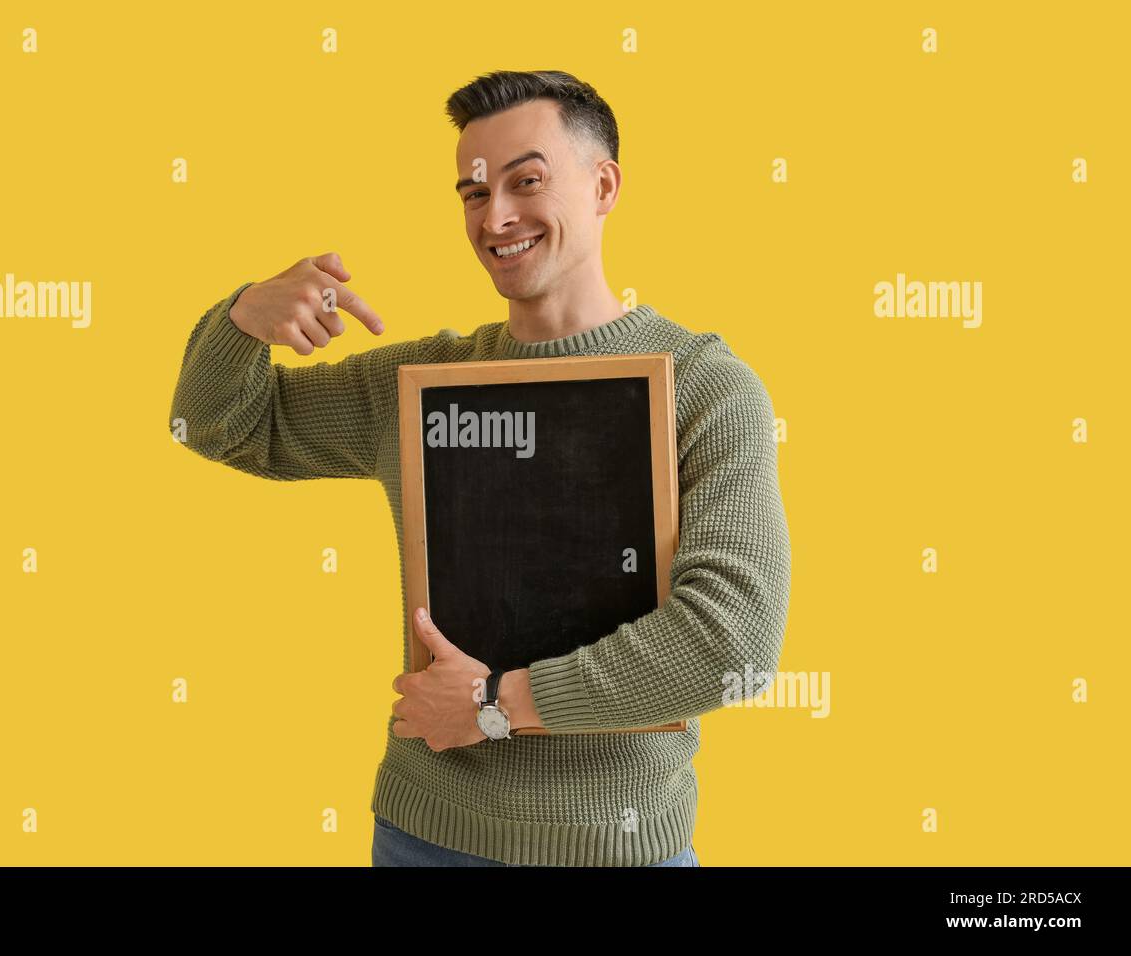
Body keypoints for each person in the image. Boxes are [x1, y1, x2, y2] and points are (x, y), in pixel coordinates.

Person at [168, 69, 791, 867]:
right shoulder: (419, 387)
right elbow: (218, 425)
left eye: (526, 181)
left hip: (616, 848)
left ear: (603, 185)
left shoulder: (704, 385)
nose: (495, 216)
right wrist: (242, 319)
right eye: (472, 191)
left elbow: (731, 641)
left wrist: (496, 704)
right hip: (424, 838)